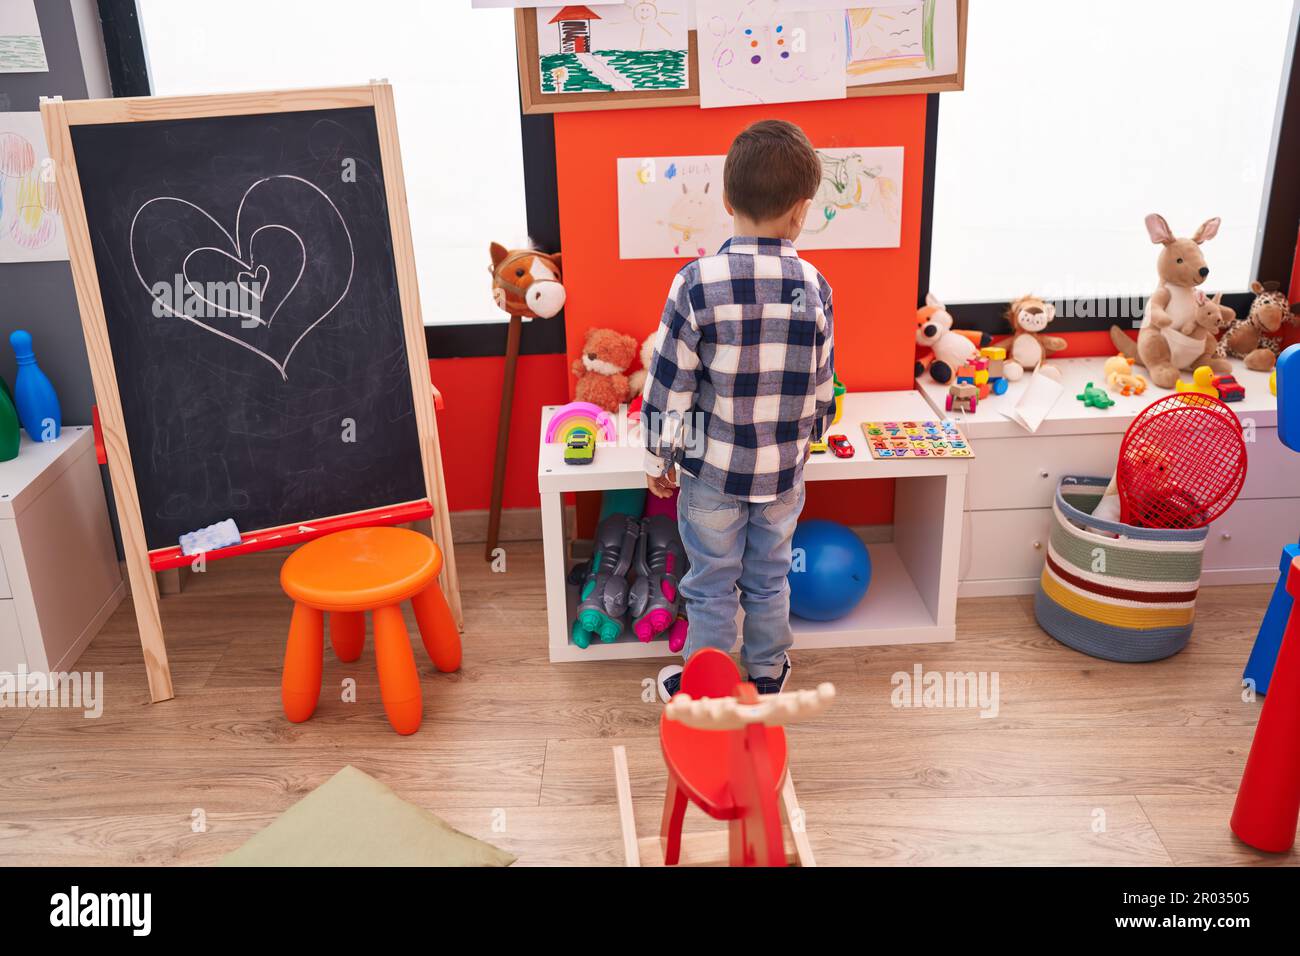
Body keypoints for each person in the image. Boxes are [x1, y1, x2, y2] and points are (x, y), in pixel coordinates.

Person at [640, 119, 836, 701]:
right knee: (769, 576)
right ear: (801, 211)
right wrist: (813, 435)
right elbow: (821, 383)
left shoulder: (696, 282)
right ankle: (769, 671)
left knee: (711, 583)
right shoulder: (815, 284)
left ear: (726, 199)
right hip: (781, 473)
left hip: (712, 473)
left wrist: (659, 454)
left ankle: (706, 682)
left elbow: (669, 383)